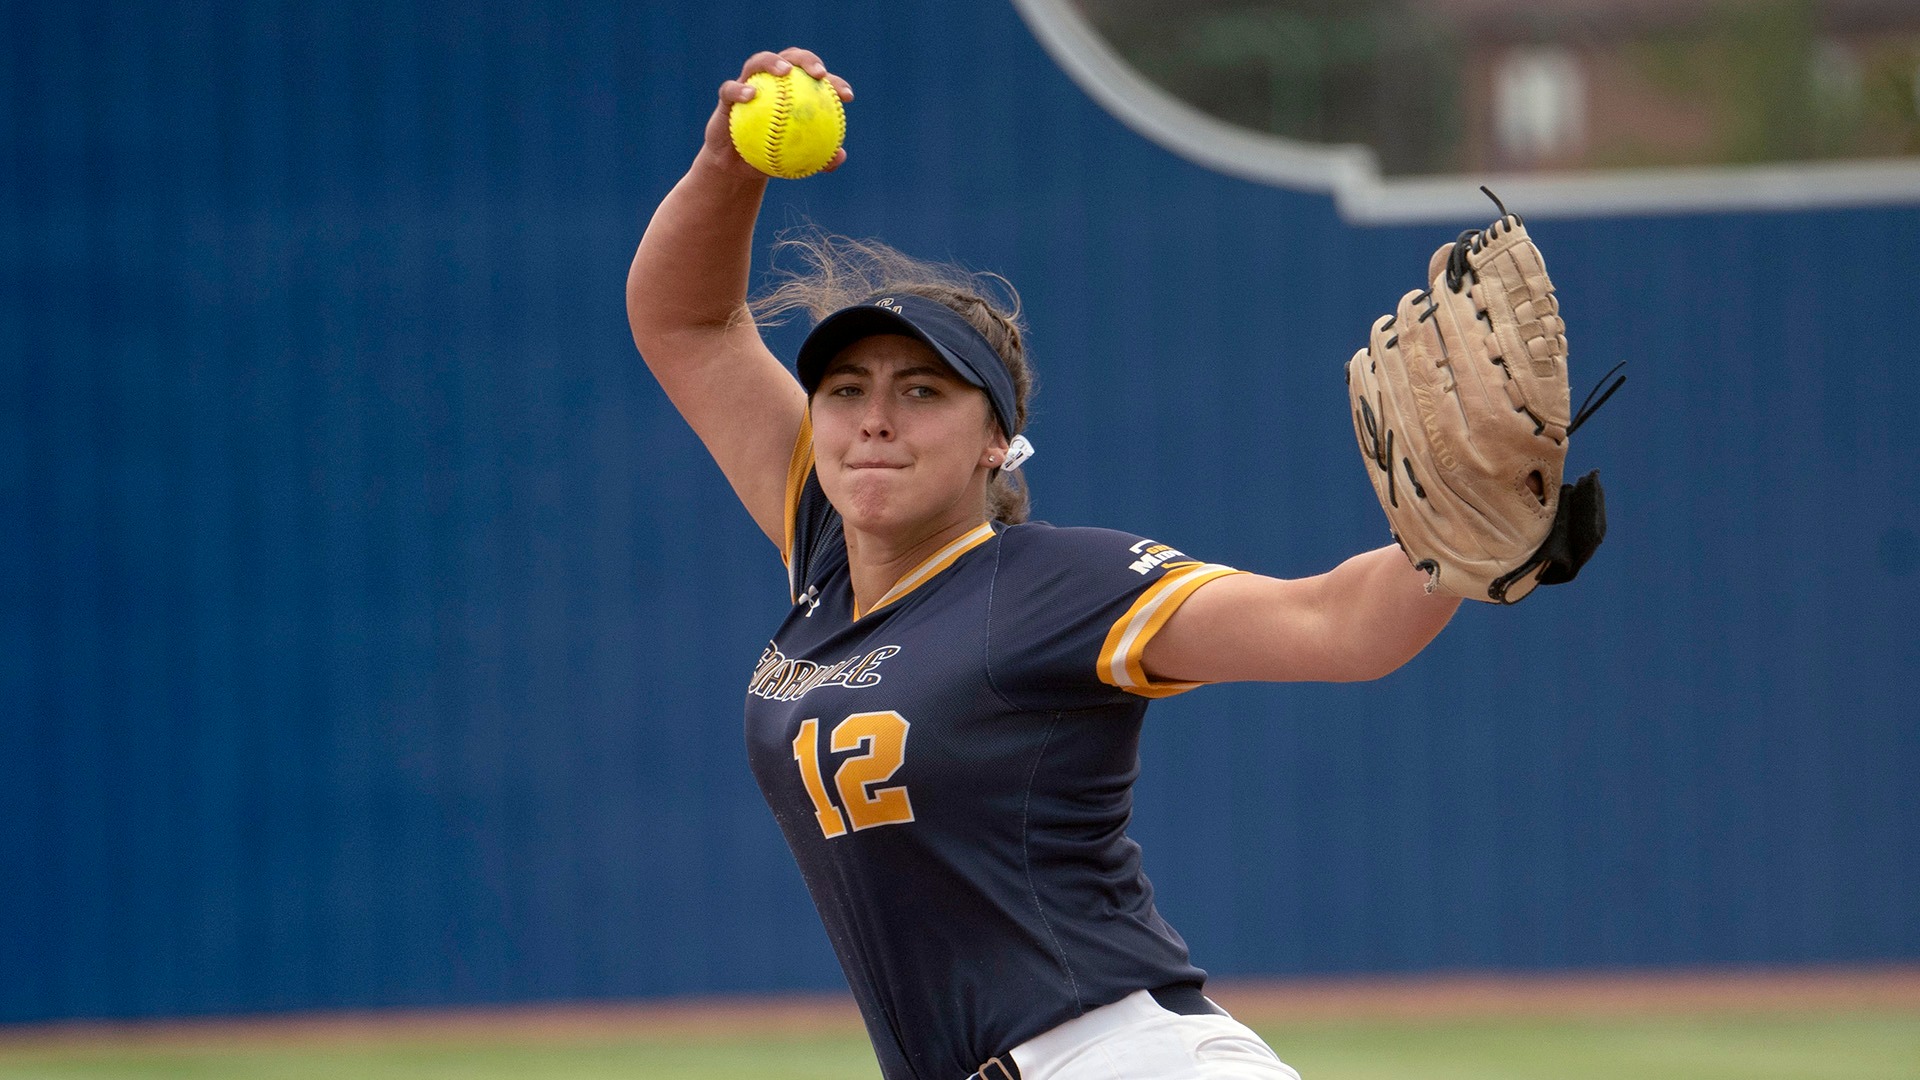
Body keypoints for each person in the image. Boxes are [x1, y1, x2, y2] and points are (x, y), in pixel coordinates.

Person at [627, 47, 1459, 1080]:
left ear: (995, 441)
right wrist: (726, 162)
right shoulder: (827, 554)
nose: (874, 419)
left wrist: (1455, 545)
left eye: (923, 392)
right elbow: (688, 323)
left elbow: (1334, 625)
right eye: (845, 389)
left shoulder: (1054, 585)